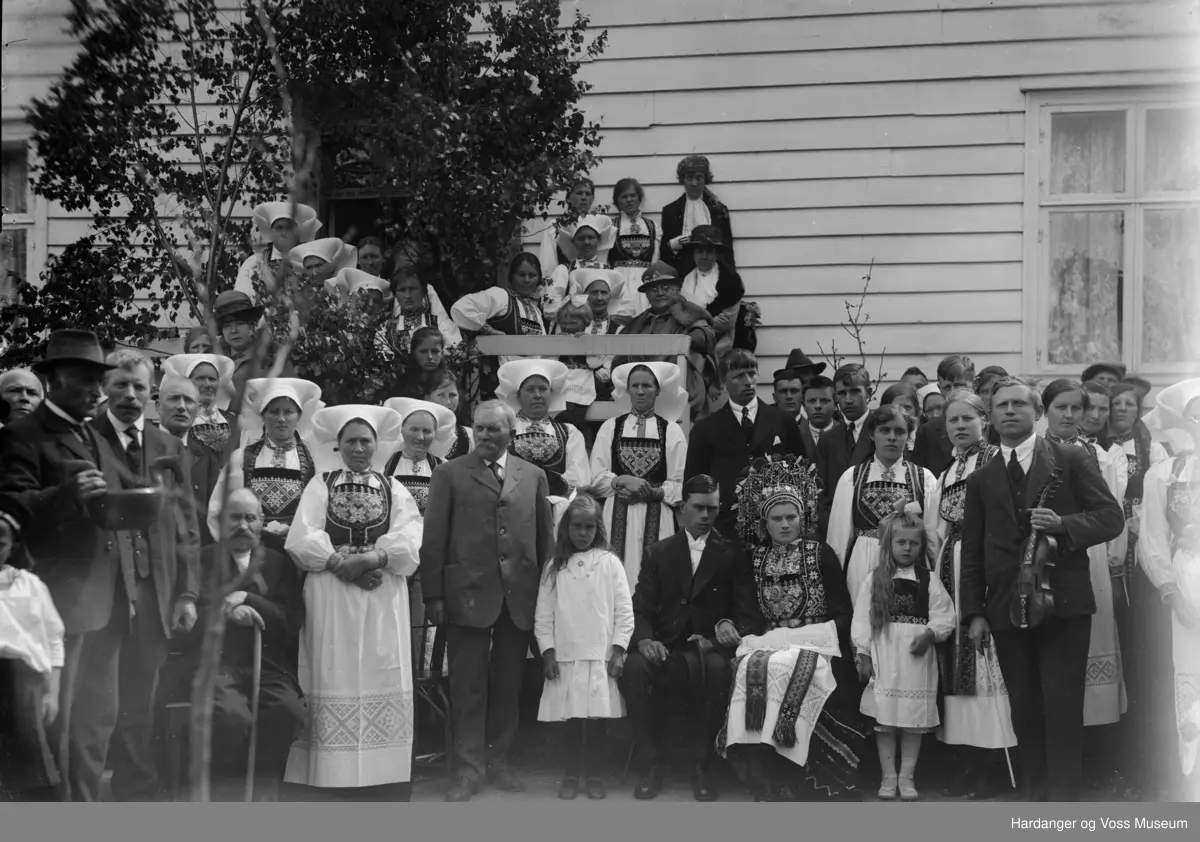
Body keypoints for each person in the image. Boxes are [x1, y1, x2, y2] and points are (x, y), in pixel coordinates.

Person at [959, 376, 1125, 802]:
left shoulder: (1069, 459)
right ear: (990, 417)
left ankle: (1065, 800)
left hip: (1063, 602)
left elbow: (1110, 518)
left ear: (1037, 413)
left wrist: (1064, 525)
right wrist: (974, 613)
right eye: (1001, 406)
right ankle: (1033, 797)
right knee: (1024, 705)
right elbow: (973, 551)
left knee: (1064, 705)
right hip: (1004, 607)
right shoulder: (980, 478)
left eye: (1019, 404)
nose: (1010, 412)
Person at [0, 331, 134, 800]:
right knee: (60, 723)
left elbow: (108, 495)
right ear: (53, 380)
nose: (97, 393)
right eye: (84, 382)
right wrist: (64, 495)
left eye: (100, 382)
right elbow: (11, 506)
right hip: (61, 604)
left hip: (107, 599)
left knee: (97, 723)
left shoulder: (90, 432)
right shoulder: (24, 435)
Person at [284, 405, 423, 799]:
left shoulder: (393, 486)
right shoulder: (320, 483)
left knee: (380, 665)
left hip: (381, 591)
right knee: (334, 667)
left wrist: (371, 559)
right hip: (331, 589)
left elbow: (410, 537)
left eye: (366, 441)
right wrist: (338, 563)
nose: (359, 448)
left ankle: (384, 771)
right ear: (338, 445)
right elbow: (301, 536)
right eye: (351, 441)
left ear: (377, 445)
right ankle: (331, 772)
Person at [420, 400, 554, 801]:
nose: (483, 436)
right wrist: (434, 594)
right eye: (478, 429)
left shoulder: (532, 475)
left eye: (493, 430)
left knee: (508, 685)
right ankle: (467, 769)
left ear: (511, 433)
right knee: (468, 686)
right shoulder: (449, 474)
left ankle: (499, 762)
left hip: (518, 599)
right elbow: (434, 539)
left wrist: (544, 599)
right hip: (467, 596)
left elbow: (544, 541)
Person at [718, 455, 866, 802]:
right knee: (754, 668)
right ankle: (764, 773)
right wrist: (752, 634)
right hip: (770, 639)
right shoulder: (753, 559)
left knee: (799, 669)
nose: (785, 524)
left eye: (791, 517)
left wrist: (820, 636)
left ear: (804, 517)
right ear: (764, 522)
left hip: (817, 640)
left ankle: (801, 775)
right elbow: (747, 612)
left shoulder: (821, 553)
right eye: (777, 518)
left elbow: (842, 609)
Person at [90, 349, 201, 801]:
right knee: (95, 701)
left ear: (151, 394)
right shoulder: (85, 437)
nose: (131, 396)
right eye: (121, 386)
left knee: (141, 696)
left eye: (139, 387)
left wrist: (187, 594)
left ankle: (136, 792)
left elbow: (186, 528)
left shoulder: (169, 447)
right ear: (104, 389)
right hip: (101, 592)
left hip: (155, 592)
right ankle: (81, 796)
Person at [620, 474, 764, 801]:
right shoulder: (658, 552)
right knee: (635, 667)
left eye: (712, 510)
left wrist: (722, 634)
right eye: (698, 508)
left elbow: (749, 616)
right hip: (664, 645)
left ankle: (702, 764)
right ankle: (651, 763)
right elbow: (639, 609)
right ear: (682, 508)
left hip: (707, 648)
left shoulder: (733, 553)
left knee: (717, 669)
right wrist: (645, 640)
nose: (704, 517)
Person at [184, 488, 305, 801]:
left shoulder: (280, 563)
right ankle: (227, 795)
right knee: (231, 717)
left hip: (268, 664)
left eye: (250, 518)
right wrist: (229, 611)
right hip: (219, 663)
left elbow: (291, 620)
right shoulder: (201, 560)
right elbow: (189, 617)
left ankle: (263, 795)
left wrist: (250, 600)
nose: (243, 525)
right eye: (235, 517)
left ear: (261, 521)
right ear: (220, 522)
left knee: (287, 711)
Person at [929, 389, 1016, 789]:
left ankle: (993, 762)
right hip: (951, 567)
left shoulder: (996, 460)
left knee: (986, 663)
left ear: (985, 420)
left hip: (984, 566)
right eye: (952, 420)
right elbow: (939, 529)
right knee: (956, 664)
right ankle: (964, 757)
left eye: (968, 418)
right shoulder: (948, 472)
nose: (960, 426)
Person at [1041, 379, 1128, 732]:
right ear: (1045, 410)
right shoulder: (1034, 451)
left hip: (1088, 555)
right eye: (1061, 407)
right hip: (1041, 560)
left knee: (1093, 635)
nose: (1070, 414)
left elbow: (1111, 512)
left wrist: (1112, 556)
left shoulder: (1097, 455)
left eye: (1077, 408)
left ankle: (1094, 729)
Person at [535, 494, 634, 801]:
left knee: (595, 721)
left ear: (598, 528)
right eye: (577, 526)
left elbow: (623, 611)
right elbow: (543, 614)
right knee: (571, 722)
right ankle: (570, 773)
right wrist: (548, 652)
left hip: (599, 656)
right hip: (566, 656)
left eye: (589, 527)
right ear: (566, 528)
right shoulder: (555, 567)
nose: (583, 533)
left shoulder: (610, 563)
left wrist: (618, 649)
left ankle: (593, 774)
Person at [852, 512, 956, 801]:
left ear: (922, 546)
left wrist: (930, 634)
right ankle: (888, 775)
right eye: (901, 542)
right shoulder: (874, 580)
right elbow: (861, 619)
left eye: (914, 543)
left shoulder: (929, 580)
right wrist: (863, 654)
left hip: (916, 660)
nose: (907, 548)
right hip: (885, 655)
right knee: (885, 718)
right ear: (888, 544)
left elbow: (945, 616)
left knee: (911, 719)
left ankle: (907, 776)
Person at [1106, 380, 1170, 797]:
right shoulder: (1102, 450)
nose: (1121, 410)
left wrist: (1141, 522)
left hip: (1144, 548)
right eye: (1116, 405)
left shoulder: (1154, 450)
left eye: (1129, 404)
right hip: (1111, 546)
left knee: (1145, 653)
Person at [1140, 378, 1200, 802]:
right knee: (1191, 680)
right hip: (1190, 579)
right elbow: (1153, 540)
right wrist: (1172, 591)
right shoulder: (1167, 474)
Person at [684, 349, 805, 537]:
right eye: (739, 376)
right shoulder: (705, 429)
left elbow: (801, 473)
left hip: (774, 528)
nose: (748, 381)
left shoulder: (782, 421)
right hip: (724, 529)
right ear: (723, 383)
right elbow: (694, 483)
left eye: (752, 373)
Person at [589, 362, 688, 590]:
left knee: (655, 580)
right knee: (613, 580)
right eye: (635, 386)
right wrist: (622, 480)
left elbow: (680, 481)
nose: (641, 391)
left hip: (657, 512)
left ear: (658, 390)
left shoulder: (671, 430)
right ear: (628, 390)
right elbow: (595, 477)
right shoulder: (611, 427)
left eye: (647, 385)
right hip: (616, 511)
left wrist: (652, 492)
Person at [827, 404, 939, 604]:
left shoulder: (924, 478)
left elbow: (932, 538)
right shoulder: (852, 477)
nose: (892, 437)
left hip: (910, 564)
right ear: (872, 434)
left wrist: (935, 577)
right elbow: (839, 538)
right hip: (864, 562)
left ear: (908, 436)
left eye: (900, 431)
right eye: (884, 430)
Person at [208, 377, 321, 552]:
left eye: (288, 412)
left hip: (298, 554)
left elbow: (319, 513)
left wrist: (297, 534)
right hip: (252, 554)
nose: (281, 418)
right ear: (263, 416)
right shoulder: (241, 458)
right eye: (274, 412)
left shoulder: (314, 458)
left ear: (298, 416)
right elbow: (218, 509)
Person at [0, 533, 65, 801]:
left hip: (22, 684)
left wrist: (52, 691)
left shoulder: (29, 585)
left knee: (30, 765)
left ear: (11, 546)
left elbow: (53, 637)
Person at [612, 262, 718, 420]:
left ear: (677, 289)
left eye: (665, 288)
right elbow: (619, 357)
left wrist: (687, 328)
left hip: (681, 389)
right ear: (646, 294)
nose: (659, 293)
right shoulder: (639, 322)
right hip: (642, 392)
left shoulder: (691, 313)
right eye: (653, 289)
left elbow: (706, 338)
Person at [494, 359, 591, 524]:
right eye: (530, 389)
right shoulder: (503, 430)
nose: (537, 395)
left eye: (543, 389)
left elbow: (580, 477)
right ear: (518, 395)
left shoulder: (569, 432)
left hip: (557, 512)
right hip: (513, 512)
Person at [155, 375, 221, 546]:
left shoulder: (207, 457)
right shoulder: (140, 447)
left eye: (189, 401)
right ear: (157, 406)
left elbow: (212, 515)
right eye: (174, 399)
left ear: (197, 410)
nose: (182, 407)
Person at [212, 290, 296, 416]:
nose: (233, 330)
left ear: (252, 326)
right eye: (227, 326)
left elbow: (293, 398)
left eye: (240, 324)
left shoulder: (274, 358)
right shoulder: (212, 361)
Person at [450, 252, 547, 360]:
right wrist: (489, 330)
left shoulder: (536, 311)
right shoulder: (501, 296)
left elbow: (541, 350)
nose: (526, 280)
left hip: (530, 373)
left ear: (539, 279)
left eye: (532, 275)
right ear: (511, 276)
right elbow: (460, 308)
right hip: (500, 373)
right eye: (521, 274)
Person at [815, 363, 876, 530]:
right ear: (836, 398)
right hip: (837, 528)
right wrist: (833, 526)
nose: (848, 400)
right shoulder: (828, 439)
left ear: (868, 393)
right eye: (842, 393)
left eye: (855, 391)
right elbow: (820, 492)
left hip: (874, 530)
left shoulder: (884, 430)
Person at [660, 155, 734, 278]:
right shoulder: (670, 211)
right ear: (683, 180)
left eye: (699, 178)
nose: (694, 183)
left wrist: (730, 279)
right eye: (689, 178)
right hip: (682, 275)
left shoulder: (718, 210)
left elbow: (727, 250)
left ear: (705, 179)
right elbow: (663, 253)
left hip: (713, 275)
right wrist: (671, 246)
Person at [679, 225, 745, 362]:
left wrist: (698, 330)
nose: (703, 257)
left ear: (716, 253)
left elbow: (727, 320)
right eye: (699, 251)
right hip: (684, 343)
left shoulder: (730, 280)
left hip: (719, 345)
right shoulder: (683, 278)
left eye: (709, 251)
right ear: (693, 253)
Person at [913, 354, 984, 477]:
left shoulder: (994, 426)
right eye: (947, 387)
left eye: (959, 385)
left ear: (975, 384)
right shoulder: (929, 432)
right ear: (939, 389)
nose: (953, 392)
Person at [234, 201, 322, 301]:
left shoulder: (312, 264)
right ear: (271, 233)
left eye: (289, 228)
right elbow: (242, 301)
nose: (284, 233)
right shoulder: (253, 264)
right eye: (279, 228)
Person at [161, 353, 238, 459]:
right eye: (200, 378)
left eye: (212, 379)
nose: (207, 384)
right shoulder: (177, 419)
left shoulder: (232, 420)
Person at [385, 256, 461, 356]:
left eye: (413, 289)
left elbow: (457, 352)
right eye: (402, 290)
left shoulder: (440, 326)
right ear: (395, 295)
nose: (408, 296)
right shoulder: (386, 329)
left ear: (423, 292)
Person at [609, 178, 658, 322]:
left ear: (639, 198)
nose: (629, 200)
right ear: (617, 201)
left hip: (644, 279)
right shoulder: (611, 227)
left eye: (632, 196)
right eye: (624, 197)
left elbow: (655, 260)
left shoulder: (652, 227)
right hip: (619, 278)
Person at [539, 177, 596, 280]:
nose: (584, 197)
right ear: (568, 198)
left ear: (592, 199)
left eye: (588, 194)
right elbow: (548, 262)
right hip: (565, 283)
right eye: (579, 193)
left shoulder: (599, 225)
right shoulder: (556, 226)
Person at [424, 369, 473, 461]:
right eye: (441, 395)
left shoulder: (470, 436)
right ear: (427, 398)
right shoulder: (414, 434)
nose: (448, 402)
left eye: (452, 395)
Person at [771, 350, 827, 424]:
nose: (802, 379)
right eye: (796, 374)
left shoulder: (826, 408)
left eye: (806, 373)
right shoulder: (766, 415)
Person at [391, 326, 446, 401]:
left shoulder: (449, 383)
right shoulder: (402, 384)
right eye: (423, 352)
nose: (430, 357)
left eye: (435, 352)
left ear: (442, 353)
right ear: (413, 354)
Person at [799, 376, 838, 464]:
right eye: (812, 401)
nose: (818, 406)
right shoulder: (794, 436)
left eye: (824, 400)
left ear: (835, 404)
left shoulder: (847, 434)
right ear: (804, 405)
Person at [879, 382, 921, 454]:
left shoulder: (926, 437)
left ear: (916, 410)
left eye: (907, 408)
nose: (903, 412)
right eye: (896, 408)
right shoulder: (878, 438)